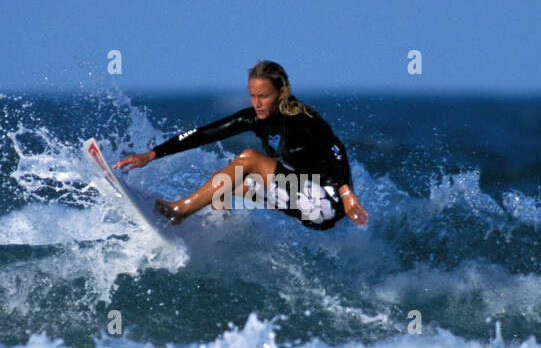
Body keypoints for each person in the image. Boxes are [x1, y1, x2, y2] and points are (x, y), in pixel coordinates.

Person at [114, 60, 370, 230]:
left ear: (281, 93)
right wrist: (152, 154)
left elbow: (337, 149)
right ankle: (213, 235)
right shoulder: (253, 117)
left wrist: (347, 194)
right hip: (303, 200)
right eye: (253, 96)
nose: (257, 103)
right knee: (223, 182)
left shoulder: (302, 119)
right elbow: (204, 134)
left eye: (264, 96)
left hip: (326, 202)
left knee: (248, 159)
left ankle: (180, 210)